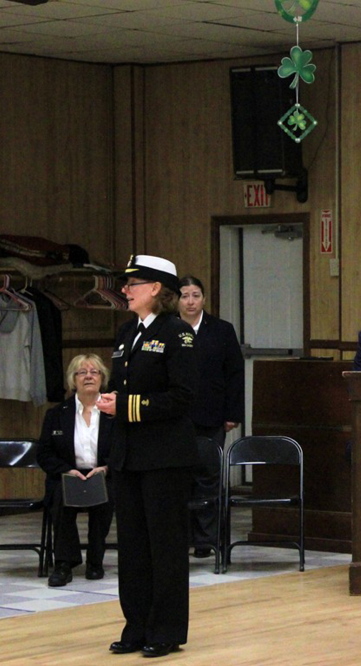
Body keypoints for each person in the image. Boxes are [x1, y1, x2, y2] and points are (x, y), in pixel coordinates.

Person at [97, 254, 198, 659]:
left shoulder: (178, 334)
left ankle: (166, 630)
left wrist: (126, 406)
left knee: (166, 547)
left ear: (156, 289)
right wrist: (113, 403)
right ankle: (136, 625)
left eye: (132, 284)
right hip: (129, 455)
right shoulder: (126, 333)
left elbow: (182, 397)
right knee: (133, 547)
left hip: (164, 455)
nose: (124, 290)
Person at [178, 275, 244, 558]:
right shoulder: (168, 329)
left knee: (208, 477)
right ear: (177, 300)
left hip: (212, 414)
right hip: (175, 417)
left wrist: (233, 413)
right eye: (185, 296)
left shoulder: (221, 330)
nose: (190, 301)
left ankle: (206, 539)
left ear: (204, 298)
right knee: (180, 477)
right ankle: (181, 537)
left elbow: (234, 373)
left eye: (195, 295)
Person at [36, 353, 115, 587]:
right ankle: (63, 563)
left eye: (94, 372)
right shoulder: (56, 414)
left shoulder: (114, 413)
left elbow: (125, 448)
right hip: (68, 475)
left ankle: (95, 562)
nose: (89, 376)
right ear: (73, 379)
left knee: (107, 496)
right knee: (60, 498)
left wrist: (106, 467)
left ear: (102, 378)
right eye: (82, 372)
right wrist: (67, 471)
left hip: (103, 474)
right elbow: (44, 454)